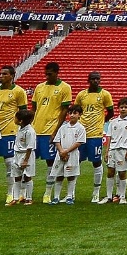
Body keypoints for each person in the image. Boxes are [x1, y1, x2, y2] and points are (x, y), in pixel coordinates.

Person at [30, 62, 74, 200]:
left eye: (50, 74)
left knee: (51, 162)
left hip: (50, 130)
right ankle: (26, 195)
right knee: (30, 160)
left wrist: (56, 130)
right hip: (36, 129)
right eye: (46, 73)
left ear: (56, 72)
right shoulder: (39, 87)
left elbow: (64, 110)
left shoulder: (65, 88)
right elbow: (34, 108)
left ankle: (48, 193)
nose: (47, 76)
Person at [77, 73, 115, 203]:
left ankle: (96, 192)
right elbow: (77, 110)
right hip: (81, 133)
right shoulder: (81, 95)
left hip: (95, 134)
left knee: (96, 162)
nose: (95, 81)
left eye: (97, 79)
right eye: (93, 79)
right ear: (88, 80)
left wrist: (101, 121)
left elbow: (111, 112)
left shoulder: (105, 94)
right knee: (76, 161)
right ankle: (71, 193)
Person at [0, 67, 29, 188]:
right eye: (0, 74)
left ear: (12, 76)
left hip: (10, 130)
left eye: (5, 74)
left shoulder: (19, 91)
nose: (1, 76)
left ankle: (11, 193)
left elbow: (23, 112)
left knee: (10, 162)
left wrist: (22, 130)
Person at [102, 102, 127, 204]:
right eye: (121, 107)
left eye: (125, 107)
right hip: (112, 149)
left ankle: (122, 196)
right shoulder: (113, 121)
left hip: (123, 149)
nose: (123, 109)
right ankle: (109, 196)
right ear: (118, 108)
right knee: (110, 172)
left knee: (122, 173)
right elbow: (109, 137)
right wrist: (107, 151)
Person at [47, 108, 85, 205]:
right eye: (70, 113)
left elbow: (79, 142)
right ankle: (56, 197)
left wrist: (67, 151)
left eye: (74, 113)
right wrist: (61, 151)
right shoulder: (63, 127)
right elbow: (57, 140)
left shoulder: (80, 128)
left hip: (72, 154)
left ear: (79, 115)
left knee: (71, 176)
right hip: (60, 154)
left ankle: (69, 196)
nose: (72, 115)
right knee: (59, 175)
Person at [7, 105, 37, 206]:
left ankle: (29, 198)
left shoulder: (30, 131)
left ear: (20, 121)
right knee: (17, 177)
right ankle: (15, 198)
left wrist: (26, 160)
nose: (14, 119)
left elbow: (30, 147)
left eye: (16, 118)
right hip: (17, 155)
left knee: (27, 176)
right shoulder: (20, 128)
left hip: (26, 155)